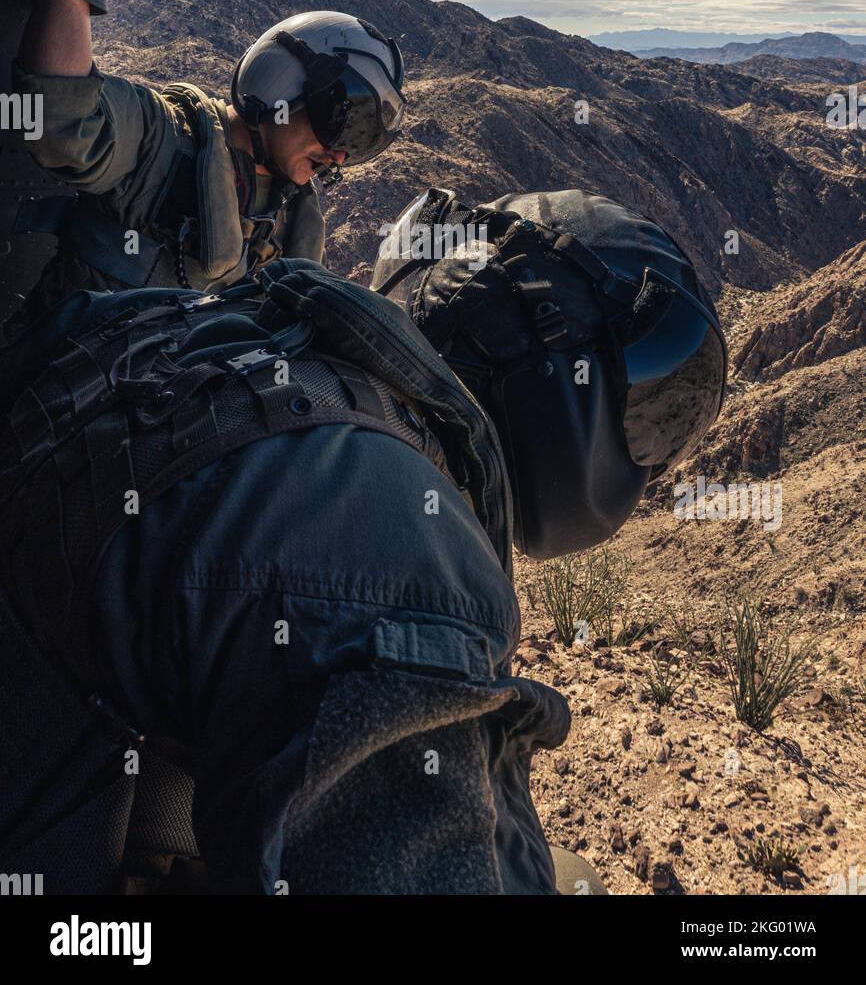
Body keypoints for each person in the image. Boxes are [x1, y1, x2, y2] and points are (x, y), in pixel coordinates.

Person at [0, 187, 725, 894]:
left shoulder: (211, 326)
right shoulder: (409, 567)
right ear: (556, 383)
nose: (650, 449)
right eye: (648, 416)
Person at [6, 0, 406, 338]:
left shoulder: (291, 215)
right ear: (280, 84)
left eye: (363, 141)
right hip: (64, 396)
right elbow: (58, 117)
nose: (341, 154)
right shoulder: (161, 137)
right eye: (341, 123)